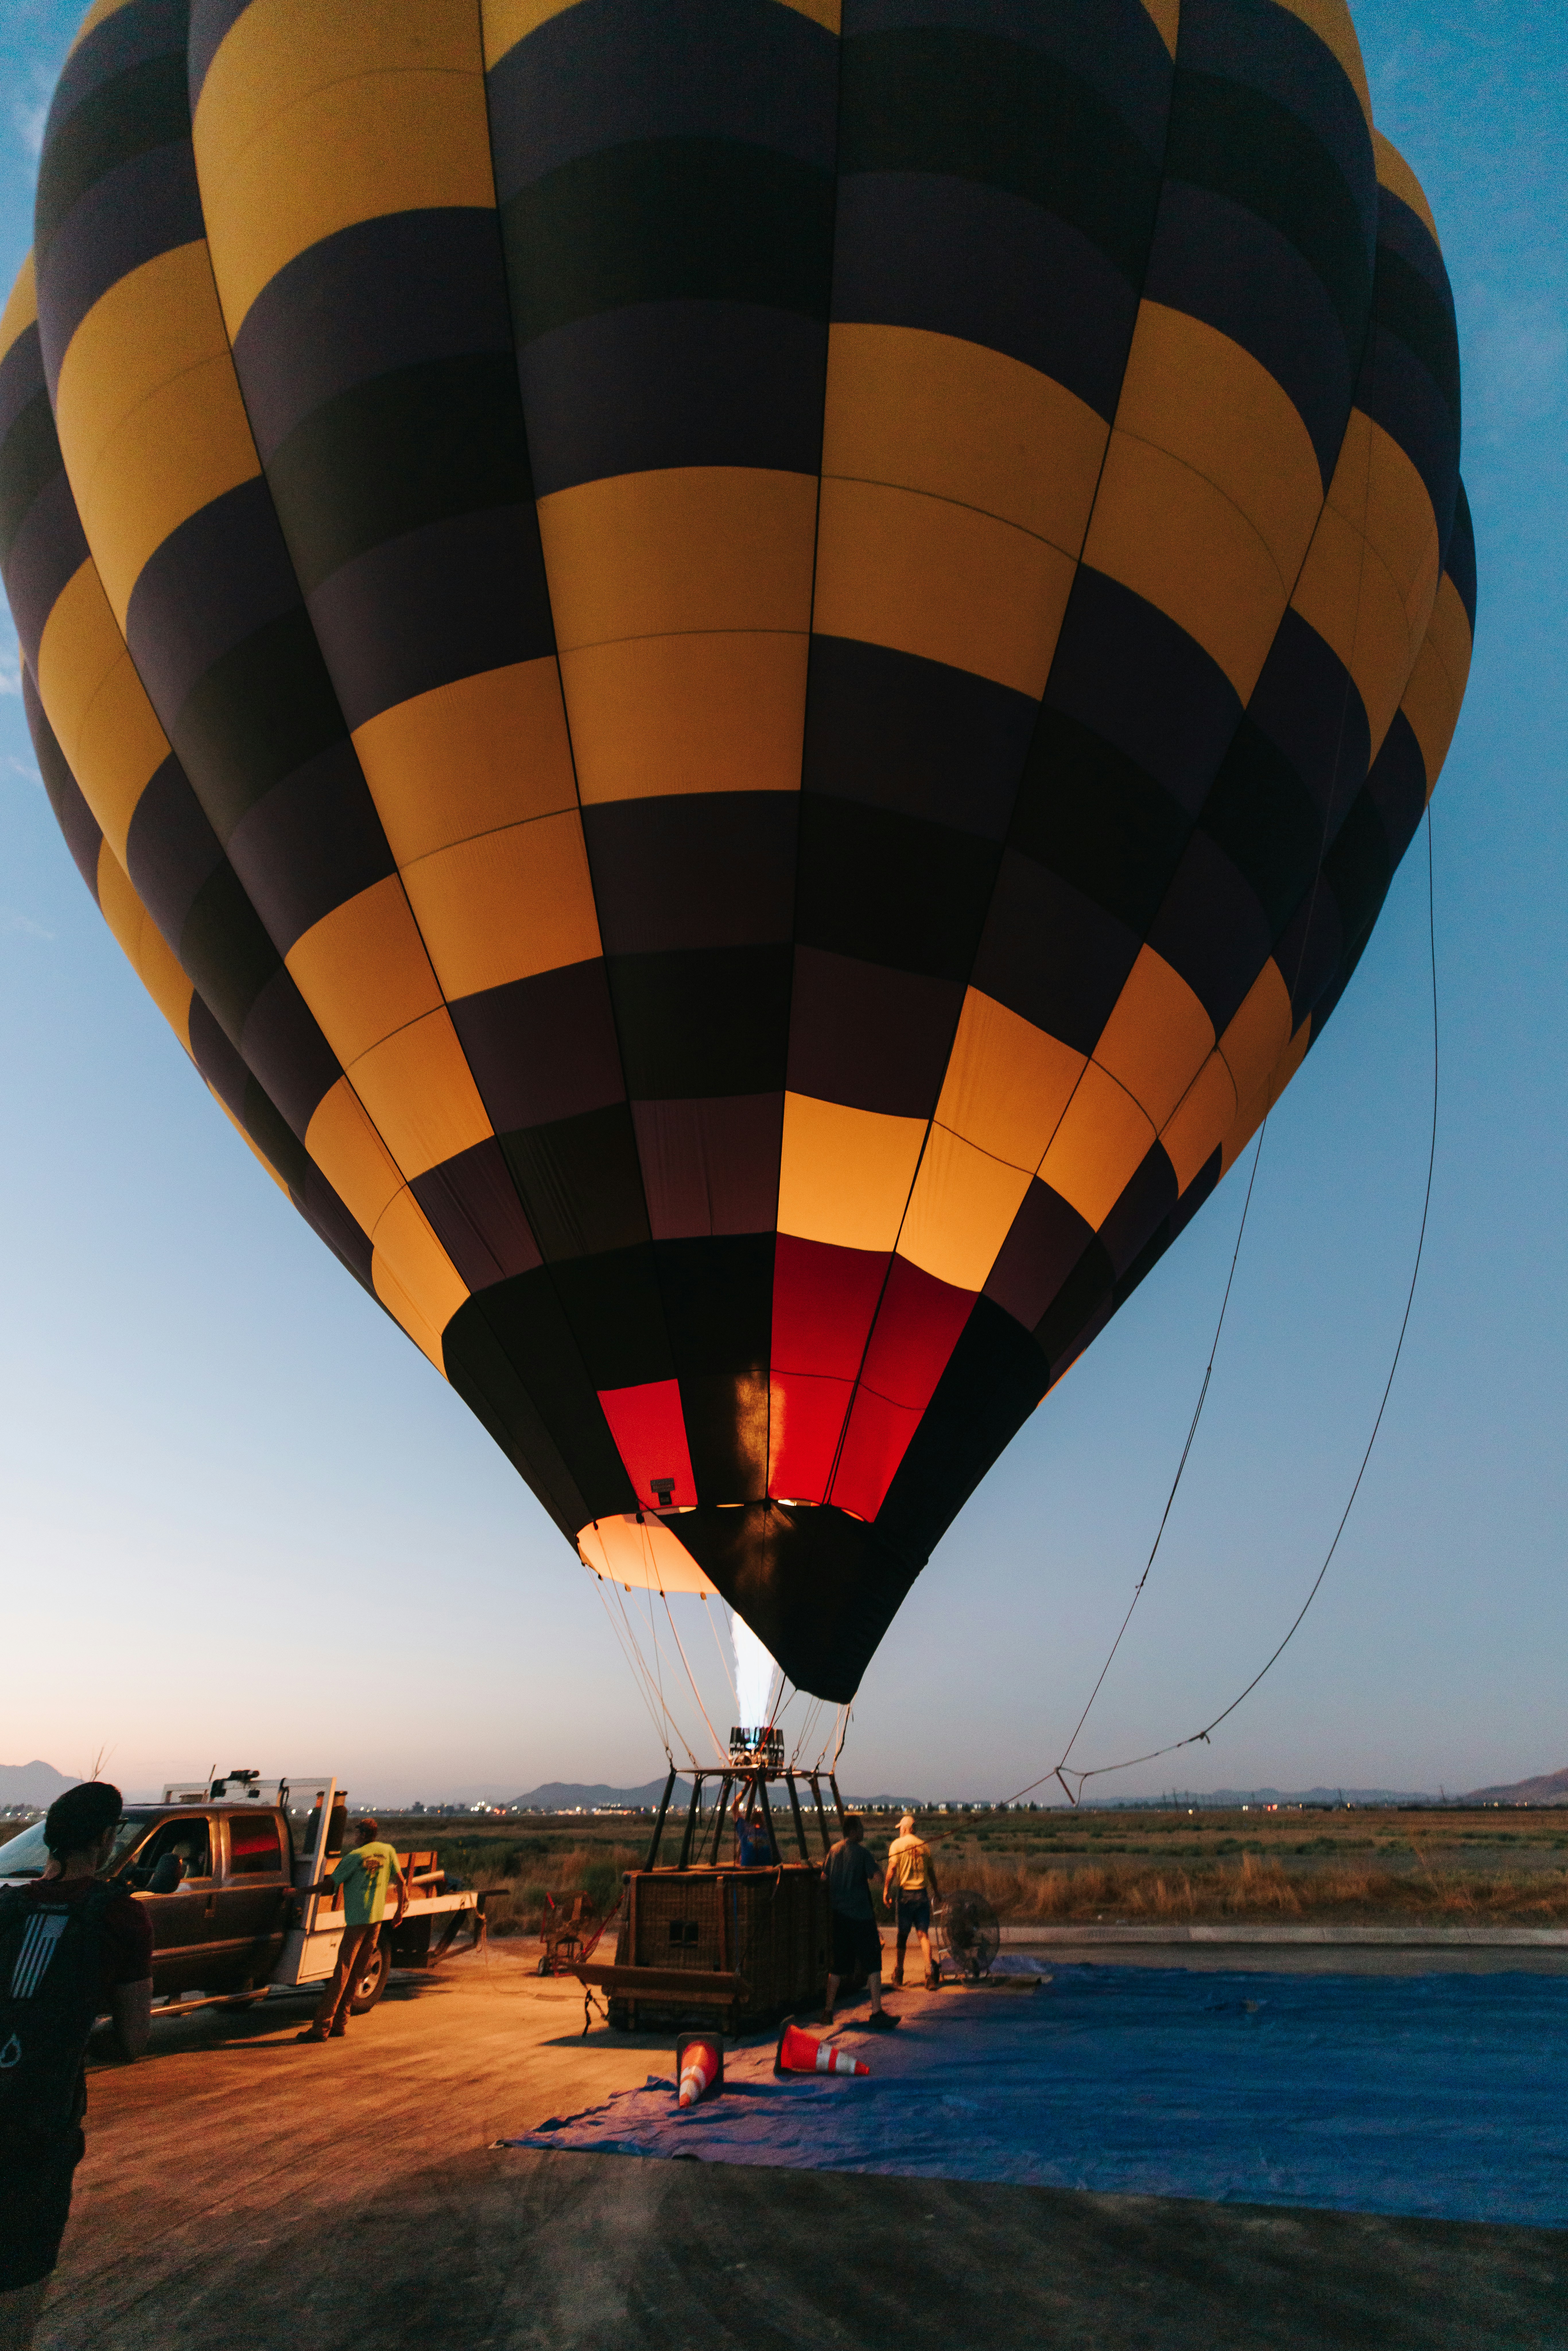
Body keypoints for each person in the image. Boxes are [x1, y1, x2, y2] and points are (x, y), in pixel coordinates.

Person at [0, 1782, 152, 2351]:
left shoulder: (6, 1906)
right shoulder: (120, 1918)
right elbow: (134, 2038)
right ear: (107, 1838)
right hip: (40, 2126)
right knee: (19, 2274)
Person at [297, 1818, 406, 2044]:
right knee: (357, 1974)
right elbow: (402, 1882)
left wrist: (298, 1892)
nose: (355, 1836)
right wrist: (399, 1912)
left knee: (342, 1973)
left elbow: (329, 1886)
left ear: (364, 1834)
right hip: (376, 1922)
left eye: (357, 1832)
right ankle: (341, 2024)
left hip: (357, 1922)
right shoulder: (388, 1851)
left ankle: (321, 2027)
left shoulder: (355, 1858)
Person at [818, 1815, 895, 2031]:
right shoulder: (863, 1854)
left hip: (839, 1917)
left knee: (838, 1966)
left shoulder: (833, 1852)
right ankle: (877, 2011)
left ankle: (828, 2011)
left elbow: (824, 1880)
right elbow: (879, 1878)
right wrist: (877, 1868)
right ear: (853, 1831)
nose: (863, 1831)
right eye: (861, 1828)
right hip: (861, 1918)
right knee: (873, 1963)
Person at [884, 1811, 942, 1988]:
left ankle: (899, 1973)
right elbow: (931, 1872)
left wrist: (886, 1890)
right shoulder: (924, 1845)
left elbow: (892, 1868)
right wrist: (937, 1892)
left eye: (901, 1828)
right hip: (922, 1895)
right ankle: (930, 1974)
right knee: (923, 1935)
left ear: (906, 1828)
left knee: (902, 1935)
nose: (899, 1831)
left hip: (906, 1896)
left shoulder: (897, 1845)